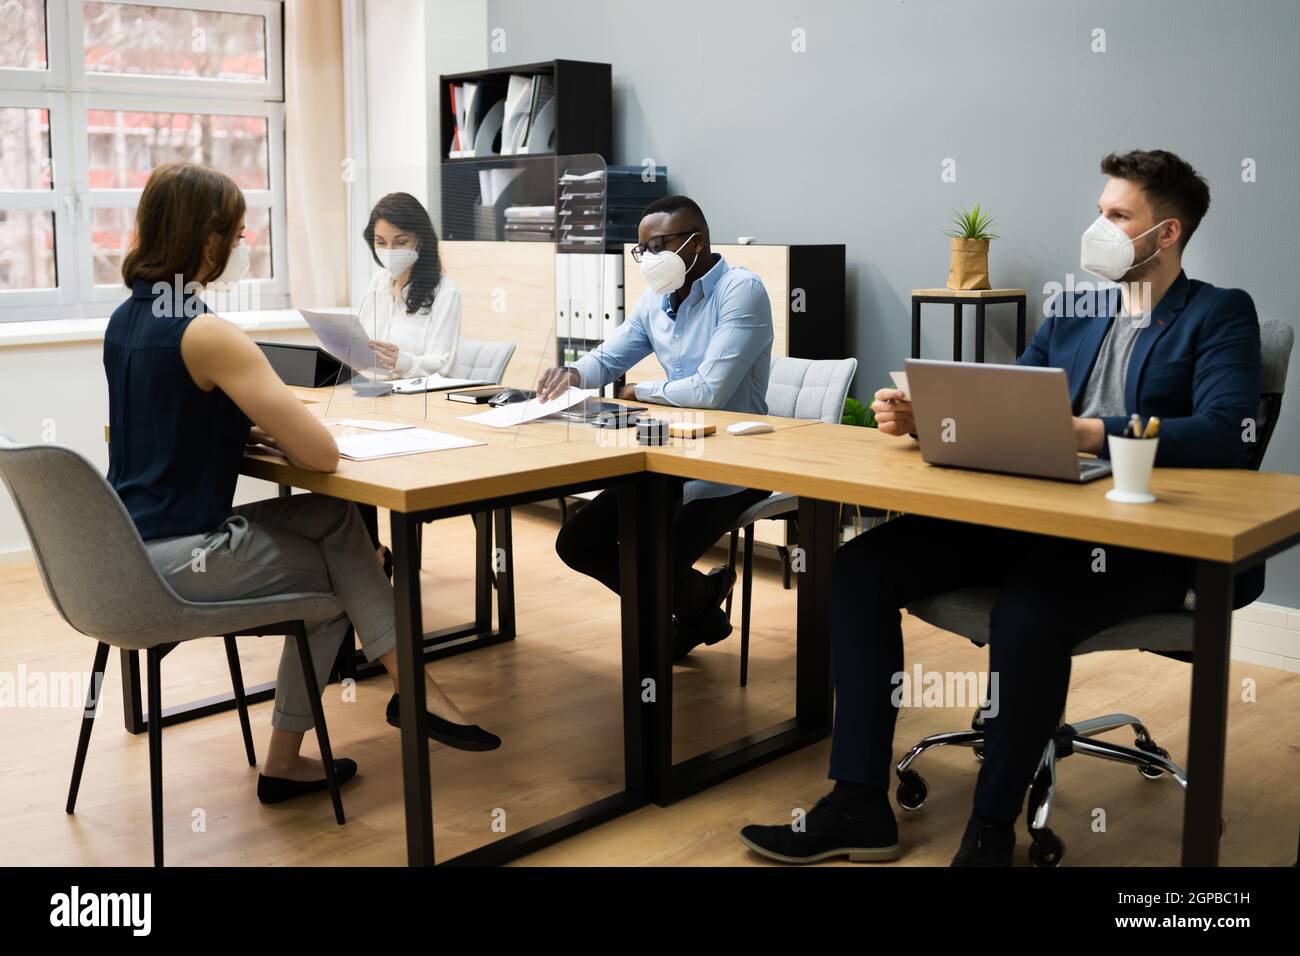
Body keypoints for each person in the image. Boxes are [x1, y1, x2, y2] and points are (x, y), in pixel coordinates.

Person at [740, 149, 1262, 866]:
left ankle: (991, 829)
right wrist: (929, 417)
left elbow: (1227, 431)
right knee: (861, 568)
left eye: (1118, 215)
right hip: (1034, 517)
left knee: (1028, 611)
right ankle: (857, 804)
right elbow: (1007, 405)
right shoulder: (1075, 310)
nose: (1099, 227)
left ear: (1166, 233)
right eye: (1100, 210)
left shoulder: (1218, 312)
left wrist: (1093, 431)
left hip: (1139, 539)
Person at [104, 163, 500, 809]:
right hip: (181, 558)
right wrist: (272, 428)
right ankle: (316, 741)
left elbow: (163, 422)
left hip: (127, 546)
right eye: (233, 236)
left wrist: (230, 435)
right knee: (343, 572)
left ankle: (402, 696)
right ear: (203, 240)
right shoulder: (207, 333)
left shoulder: (126, 321)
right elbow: (319, 454)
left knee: (338, 524)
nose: (238, 248)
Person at [536, 195, 773, 660]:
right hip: (666, 458)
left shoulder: (741, 291)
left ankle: (688, 615)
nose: (648, 258)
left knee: (647, 561)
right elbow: (609, 356)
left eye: (659, 244)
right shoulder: (657, 300)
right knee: (578, 542)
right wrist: (572, 375)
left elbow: (708, 393)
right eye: (642, 248)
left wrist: (640, 392)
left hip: (731, 466)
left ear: (696, 242)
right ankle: (701, 603)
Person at [359, 192, 461, 379]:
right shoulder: (378, 281)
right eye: (380, 242)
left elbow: (442, 366)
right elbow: (362, 343)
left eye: (401, 242)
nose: (389, 251)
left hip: (419, 399)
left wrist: (401, 361)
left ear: (420, 240)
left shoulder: (446, 292)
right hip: (375, 390)